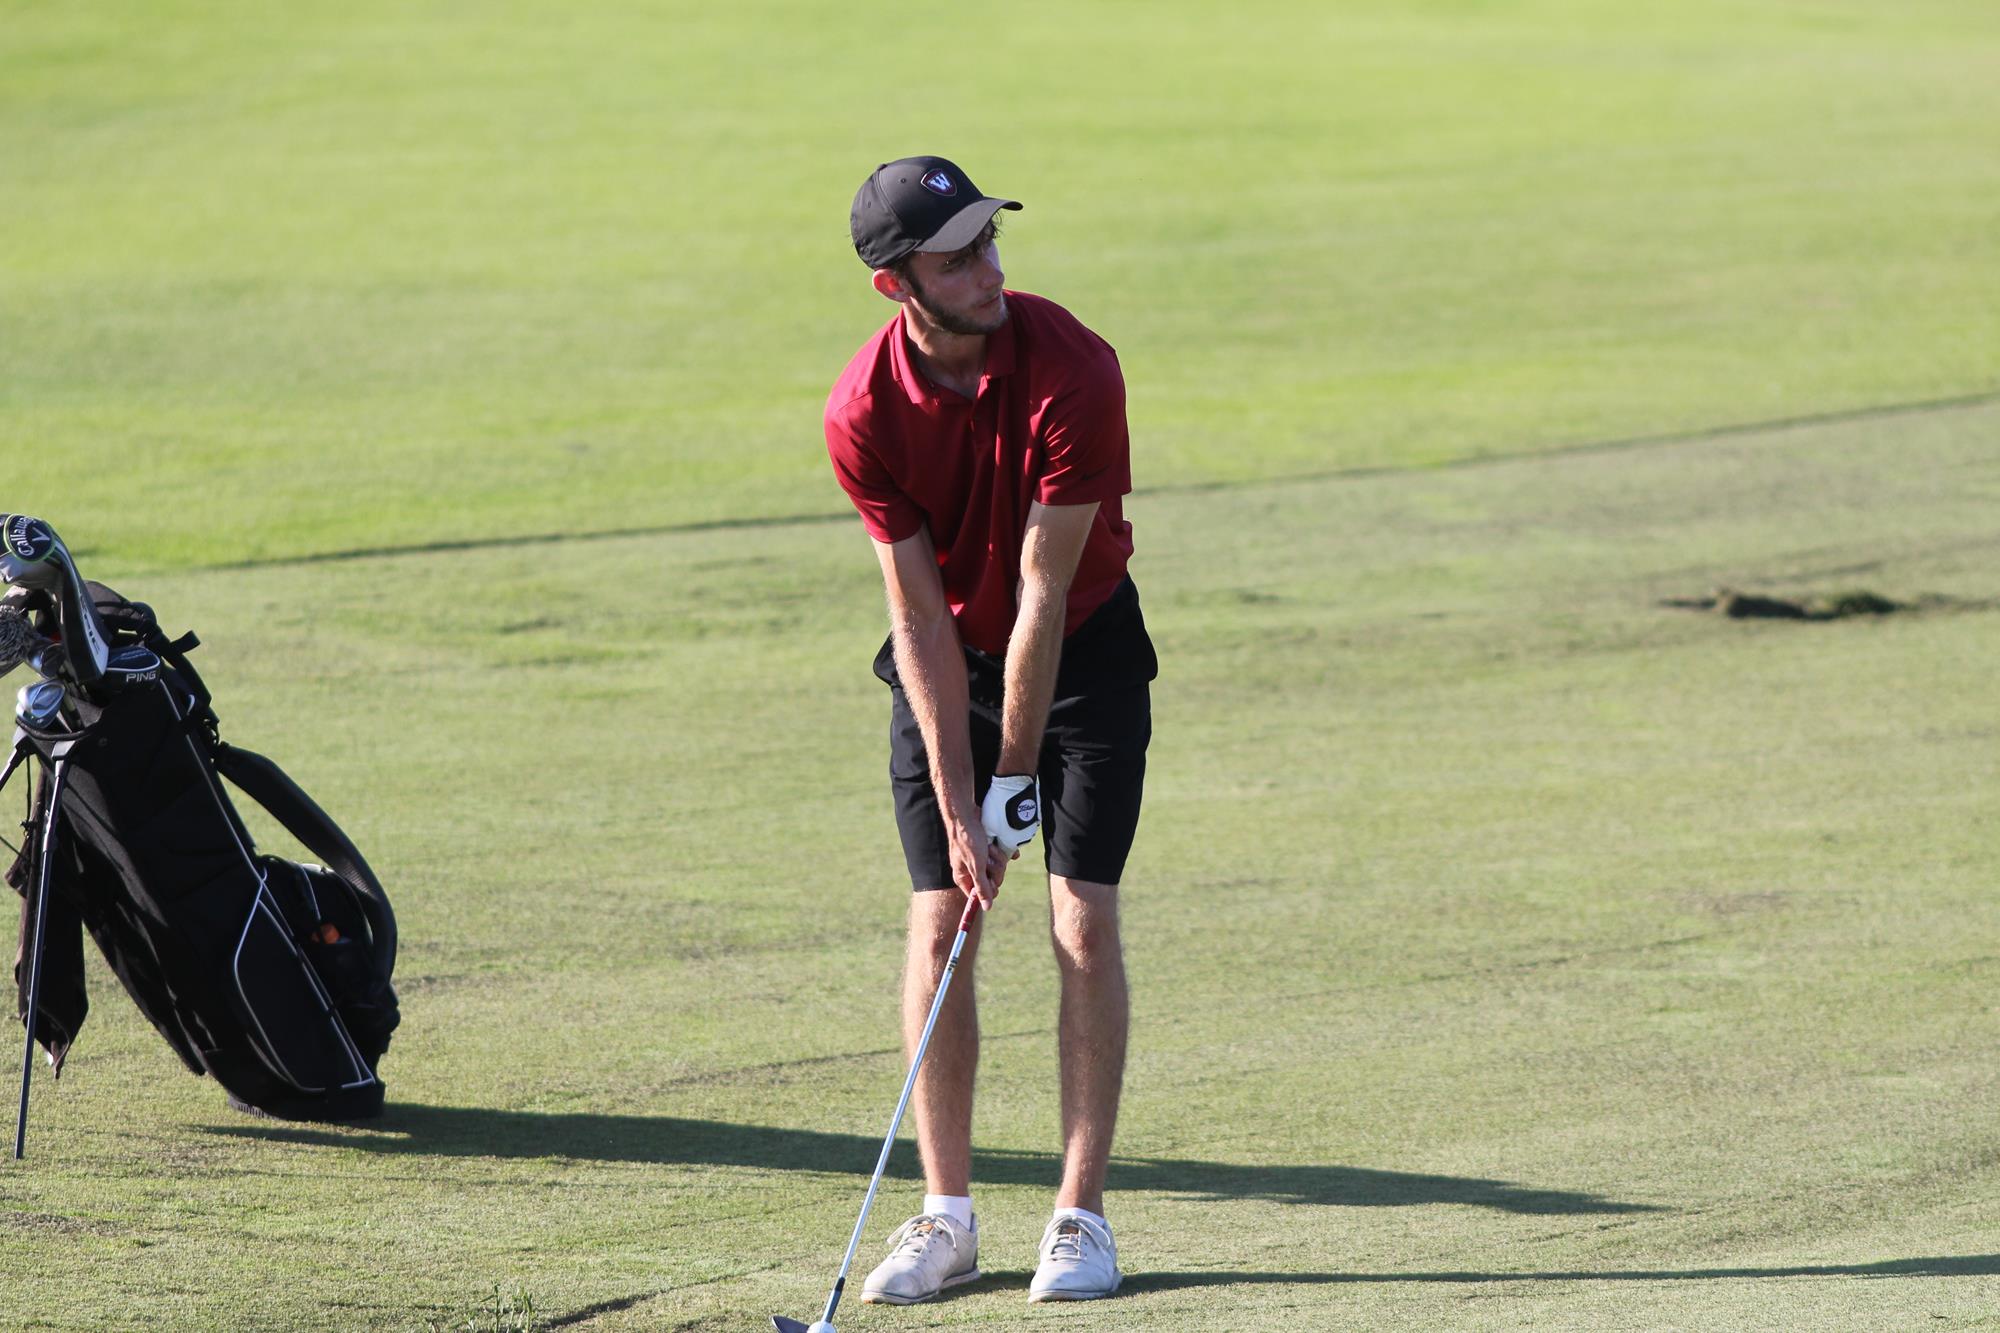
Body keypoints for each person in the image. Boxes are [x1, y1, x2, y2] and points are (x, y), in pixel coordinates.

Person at [822, 156, 1158, 1306]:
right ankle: (945, 1215)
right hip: (947, 660)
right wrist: (962, 800)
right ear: (896, 284)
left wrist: (1005, 794)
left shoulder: (1073, 366)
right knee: (939, 924)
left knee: (1080, 920)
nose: (988, 269)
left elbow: (1043, 594)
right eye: (957, 255)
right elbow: (914, 610)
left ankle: (1079, 1216)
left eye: (988, 242)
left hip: (1084, 646)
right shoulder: (862, 410)